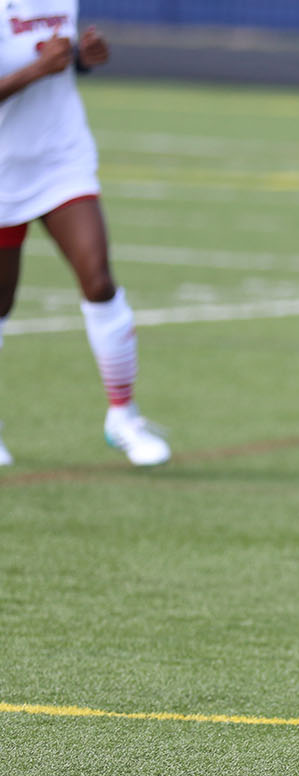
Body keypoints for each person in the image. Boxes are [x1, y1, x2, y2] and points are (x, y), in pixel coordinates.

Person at [0, 5, 170, 467]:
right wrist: (41, 68)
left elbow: (61, 61)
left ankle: (123, 417)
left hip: (61, 159)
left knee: (98, 282)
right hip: (1, 170)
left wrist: (82, 59)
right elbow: (39, 63)